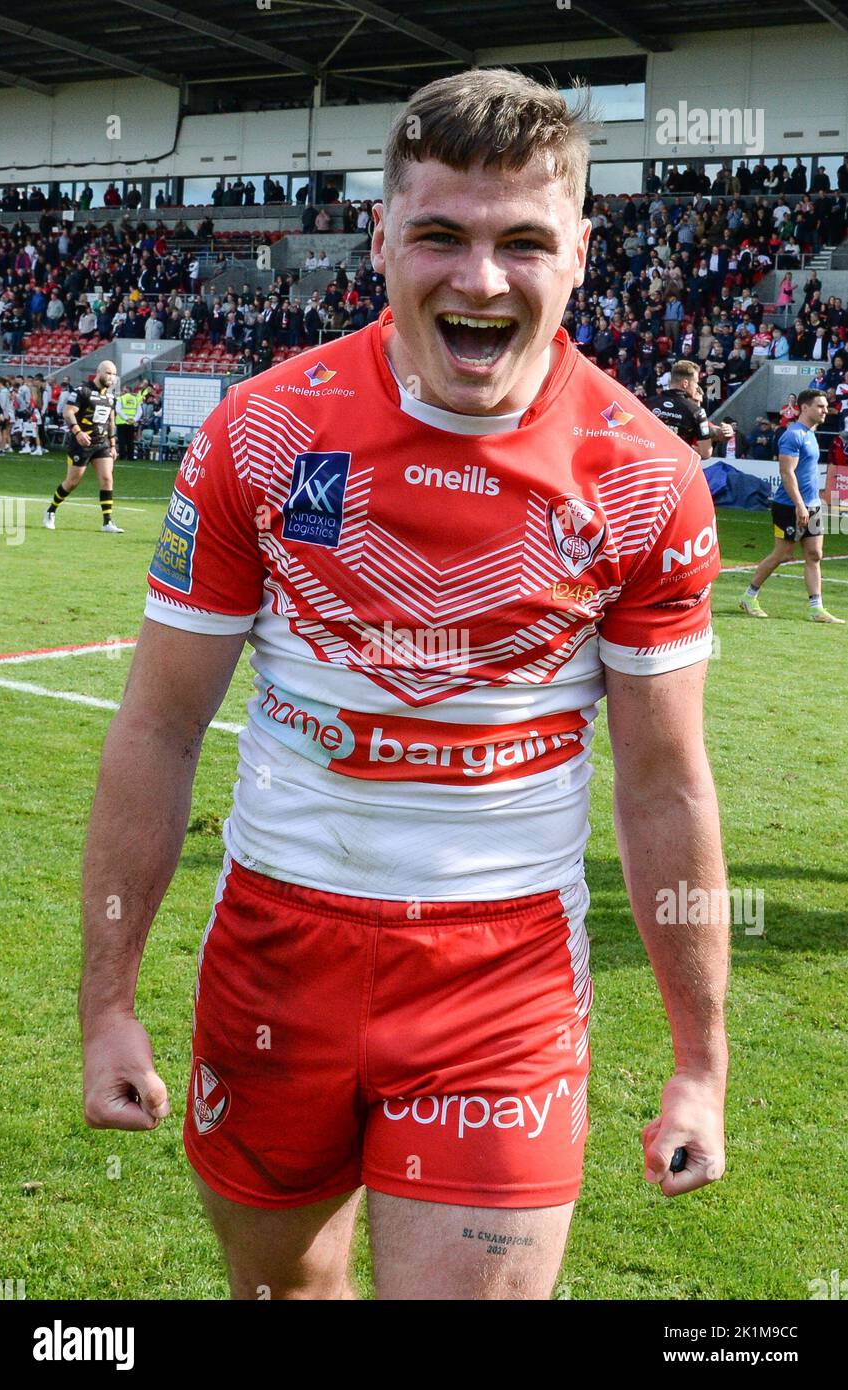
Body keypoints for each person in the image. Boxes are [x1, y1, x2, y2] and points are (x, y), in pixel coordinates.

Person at [80, 69, 729, 1304]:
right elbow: (158, 729)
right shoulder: (262, 438)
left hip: (504, 983)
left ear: (580, 254)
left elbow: (663, 786)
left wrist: (699, 1059)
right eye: (440, 234)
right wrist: (108, 1002)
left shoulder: (645, 480)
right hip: (275, 954)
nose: (480, 280)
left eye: (522, 242)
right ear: (379, 237)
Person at [740, 389, 843, 623]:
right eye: (820, 406)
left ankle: (817, 608)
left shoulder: (810, 434)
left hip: (813, 505)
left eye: (826, 407)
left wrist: (812, 502)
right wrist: (799, 505)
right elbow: (786, 473)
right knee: (783, 554)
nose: (825, 410)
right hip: (790, 506)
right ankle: (749, 596)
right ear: (804, 408)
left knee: (815, 554)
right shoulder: (792, 435)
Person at [42, 361, 123, 533]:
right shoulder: (82, 391)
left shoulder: (111, 397)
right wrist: (78, 433)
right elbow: (68, 412)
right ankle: (51, 510)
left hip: (101, 444)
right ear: (98, 372)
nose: (111, 377)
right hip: (80, 444)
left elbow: (111, 422)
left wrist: (113, 444)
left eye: (114, 374)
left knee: (107, 478)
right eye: (108, 373)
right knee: (72, 482)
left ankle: (107, 522)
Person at [644, 359, 732, 460]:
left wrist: (726, 430)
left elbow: (713, 430)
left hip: (647, 464)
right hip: (676, 467)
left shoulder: (647, 404)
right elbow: (705, 453)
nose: (696, 386)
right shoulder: (695, 412)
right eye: (696, 382)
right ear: (685, 383)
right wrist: (688, 450)